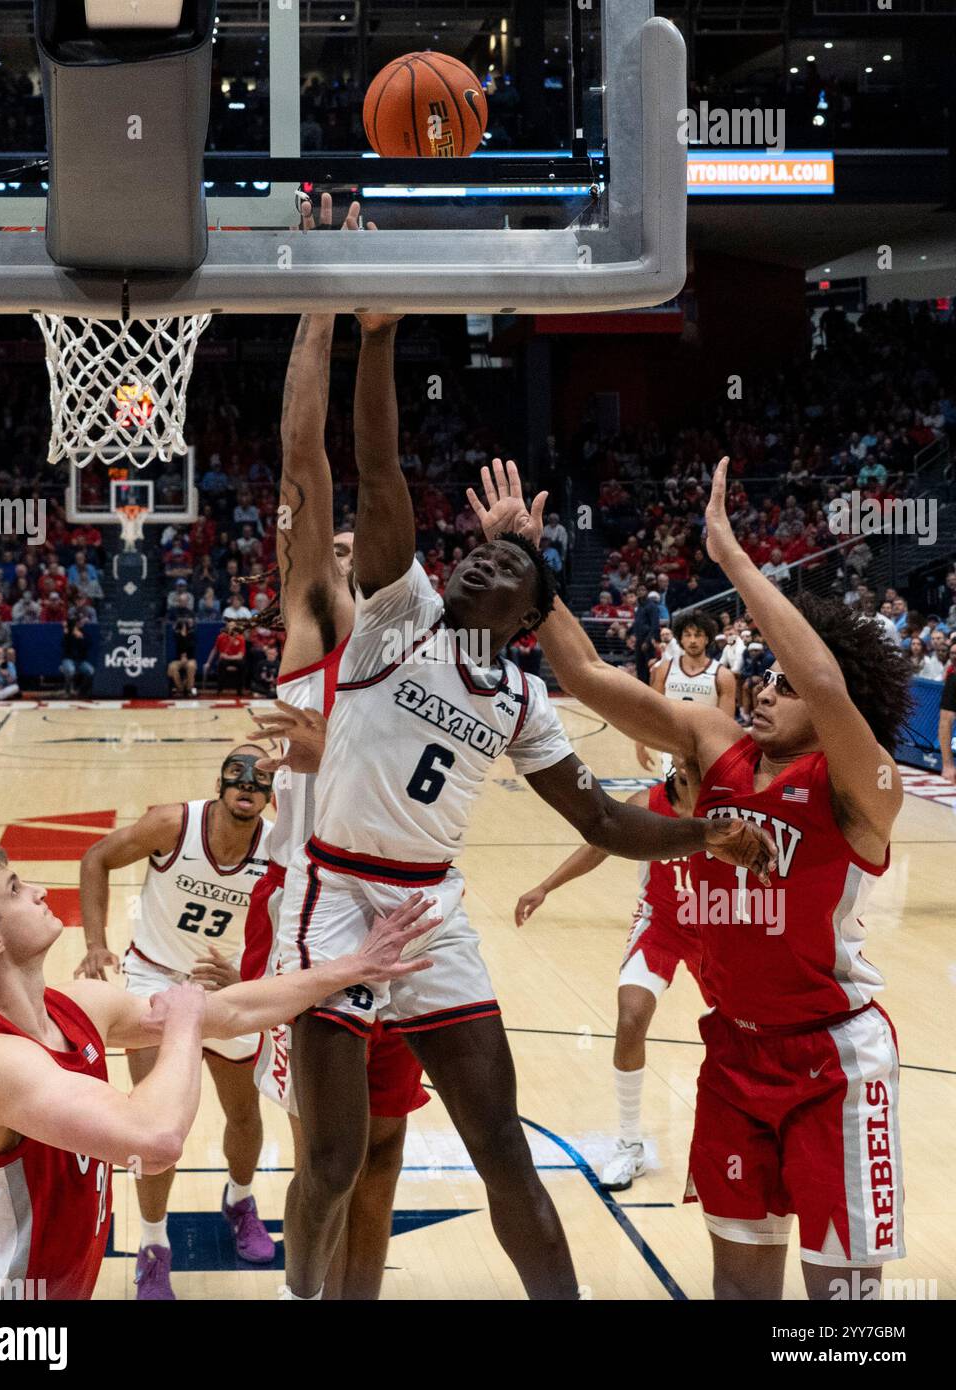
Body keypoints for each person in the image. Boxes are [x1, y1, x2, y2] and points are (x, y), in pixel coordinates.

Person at [266, 340, 773, 1301]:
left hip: (431, 914)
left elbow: (607, 818)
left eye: (502, 560)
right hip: (331, 892)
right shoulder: (398, 612)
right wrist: (378, 338)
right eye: (476, 548)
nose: (476, 558)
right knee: (330, 1162)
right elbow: (378, 469)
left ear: (527, 614)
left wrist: (705, 834)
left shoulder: (523, 700)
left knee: (503, 1145)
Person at [534, 456, 910, 1299]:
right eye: (761, 679)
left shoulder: (862, 788)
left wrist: (734, 559)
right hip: (734, 1054)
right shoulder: (713, 745)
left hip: (835, 1061)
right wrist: (534, 572)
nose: (768, 690)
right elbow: (586, 678)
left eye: (783, 683)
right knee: (739, 1292)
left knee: (844, 1313)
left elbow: (819, 674)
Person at [0, 838, 436, 1301]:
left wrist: (355, 965)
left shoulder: (79, 1005)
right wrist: (186, 1024)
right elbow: (153, 1142)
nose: (38, 891)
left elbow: (235, 1011)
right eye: (14, 889)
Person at [244, 194, 439, 1304]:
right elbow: (305, 457)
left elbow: (383, 474)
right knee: (324, 1156)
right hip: (307, 909)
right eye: (342, 536)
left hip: (405, 907)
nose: (352, 536)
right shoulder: (318, 615)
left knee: (384, 1154)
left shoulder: (409, 637)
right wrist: (321, 305)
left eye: (373, 535)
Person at [75, 746, 276, 1300]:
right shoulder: (173, 822)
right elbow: (96, 858)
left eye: (261, 779)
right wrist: (96, 944)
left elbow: (295, 925)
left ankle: (239, 1200)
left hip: (227, 989)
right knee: (152, 1127)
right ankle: (153, 1244)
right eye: (238, 772)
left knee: (243, 1112)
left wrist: (248, 973)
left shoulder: (278, 849)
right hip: (155, 981)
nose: (248, 783)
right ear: (221, 782)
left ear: (269, 795)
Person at [514, 766, 708, 1191]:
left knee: (743, 1033)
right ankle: (629, 1145)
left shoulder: (729, 805)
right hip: (661, 925)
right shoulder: (646, 805)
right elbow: (599, 845)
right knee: (630, 1019)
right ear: (679, 778)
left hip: (716, 925)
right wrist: (545, 887)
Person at [635, 612, 735, 773]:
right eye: (687, 635)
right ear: (680, 639)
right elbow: (651, 708)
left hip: (707, 746)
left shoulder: (723, 675)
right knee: (677, 791)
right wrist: (640, 743)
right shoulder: (665, 669)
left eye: (698, 635)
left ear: (707, 638)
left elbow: (727, 724)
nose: (693, 640)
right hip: (673, 745)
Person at [60, 615, 94, 698]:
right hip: (68, 659)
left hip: (80, 661)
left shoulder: (84, 633)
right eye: (77, 622)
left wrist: (81, 637)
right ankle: (68, 691)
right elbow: (64, 645)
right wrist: (67, 633)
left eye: (80, 622)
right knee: (71, 670)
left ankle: (81, 692)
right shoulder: (68, 633)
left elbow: (88, 645)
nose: (80, 623)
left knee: (90, 671)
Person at [168, 615, 198, 698]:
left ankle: (189, 689)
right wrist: (181, 635)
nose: (184, 627)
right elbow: (176, 640)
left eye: (185, 624)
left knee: (191, 666)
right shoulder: (176, 635)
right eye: (182, 625)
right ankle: (180, 689)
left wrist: (184, 655)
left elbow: (189, 646)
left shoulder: (192, 634)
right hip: (178, 660)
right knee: (172, 667)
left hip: (190, 659)